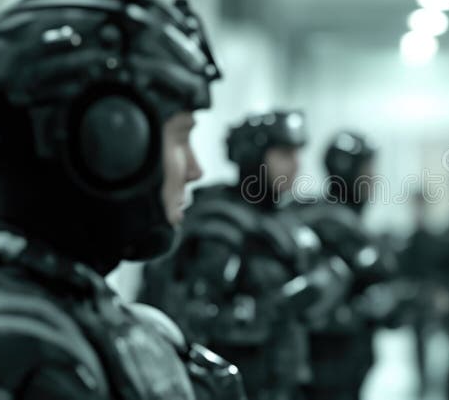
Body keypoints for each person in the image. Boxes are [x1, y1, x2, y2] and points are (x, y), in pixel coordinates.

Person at [0, 0, 246, 399]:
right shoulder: (23, 352)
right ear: (109, 143)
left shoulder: (88, 324)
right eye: (181, 138)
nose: (196, 170)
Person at [140, 110, 350, 400]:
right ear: (255, 158)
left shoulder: (284, 220)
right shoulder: (221, 226)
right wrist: (280, 306)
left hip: (283, 382)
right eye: (284, 155)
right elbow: (194, 320)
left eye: (297, 154)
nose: (295, 166)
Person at [295, 131, 403, 400]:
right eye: (367, 170)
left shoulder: (327, 217)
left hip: (340, 358)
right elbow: (378, 280)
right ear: (348, 173)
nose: (373, 179)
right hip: (329, 358)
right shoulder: (334, 224)